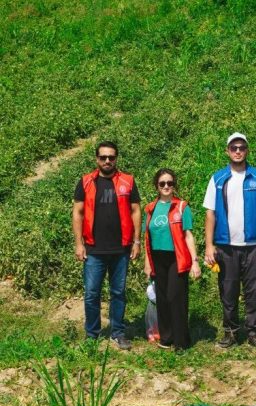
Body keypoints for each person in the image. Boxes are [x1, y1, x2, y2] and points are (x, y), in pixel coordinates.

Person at [203, 132, 256, 349]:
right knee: (228, 290)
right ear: (227, 151)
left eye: (241, 148)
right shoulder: (218, 179)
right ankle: (231, 332)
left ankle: (253, 332)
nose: (237, 151)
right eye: (233, 148)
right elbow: (210, 213)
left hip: (254, 245)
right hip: (226, 246)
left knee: (254, 290)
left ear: (247, 150)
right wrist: (209, 245)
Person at [72, 141, 141, 350]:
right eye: (103, 157)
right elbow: (78, 213)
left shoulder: (128, 181)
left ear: (116, 158)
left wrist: (137, 241)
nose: (107, 161)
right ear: (97, 159)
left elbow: (135, 211)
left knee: (118, 293)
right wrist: (78, 243)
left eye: (111, 157)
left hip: (121, 249)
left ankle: (118, 333)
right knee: (92, 293)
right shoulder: (86, 182)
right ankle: (92, 335)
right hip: (93, 249)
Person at [143, 169, 201, 351]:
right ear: (157, 186)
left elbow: (188, 235)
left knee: (175, 297)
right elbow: (147, 237)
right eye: (162, 183)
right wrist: (147, 263)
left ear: (174, 185)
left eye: (170, 183)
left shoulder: (182, 207)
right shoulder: (150, 208)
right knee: (162, 298)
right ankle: (166, 337)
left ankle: (181, 341)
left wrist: (195, 262)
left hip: (177, 257)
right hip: (157, 257)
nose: (166, 186)